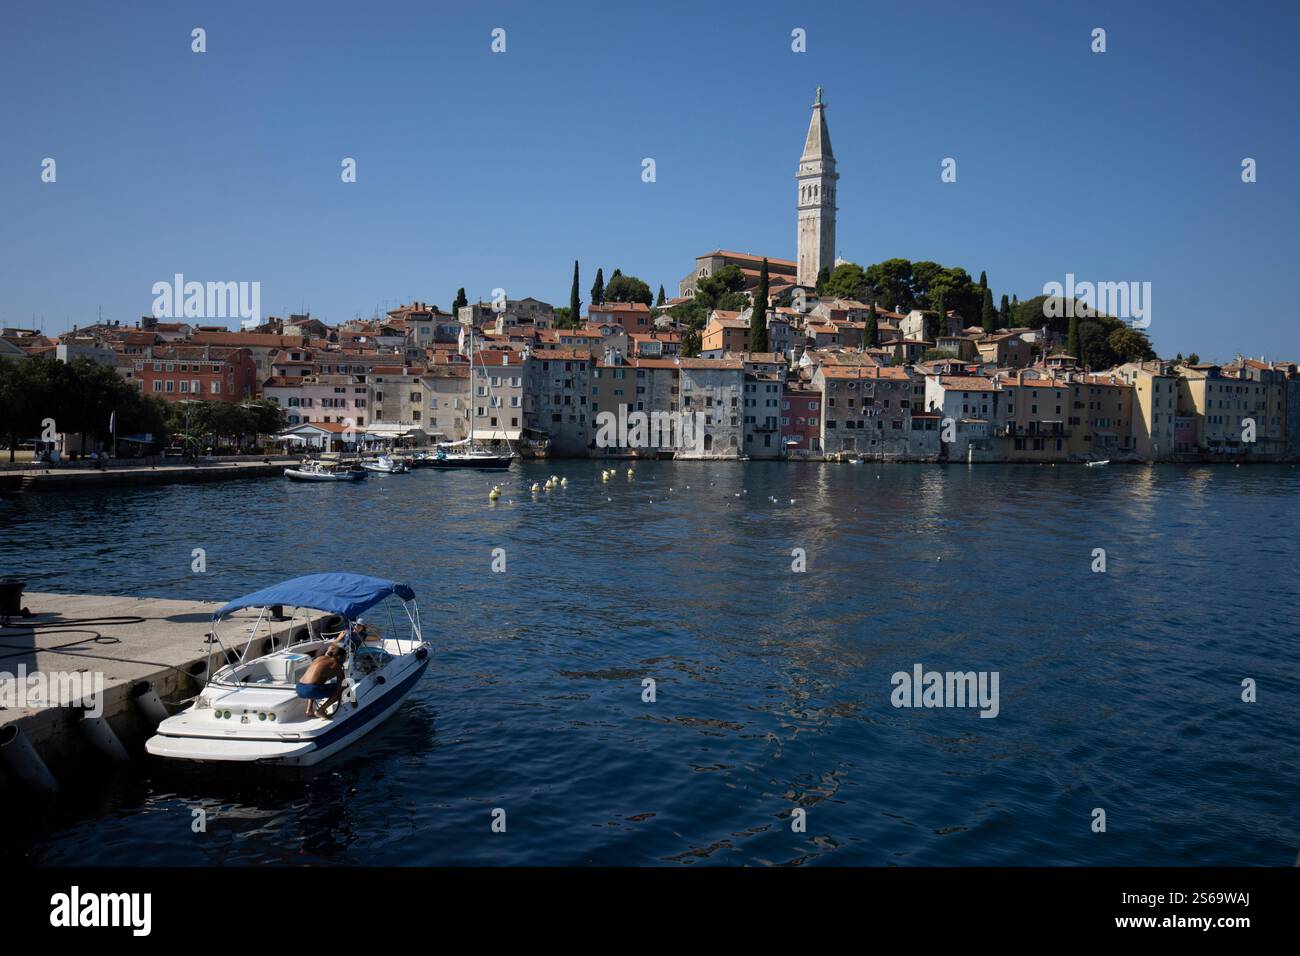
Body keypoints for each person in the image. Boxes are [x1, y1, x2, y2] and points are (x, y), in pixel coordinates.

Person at [296, 643, 347, 718]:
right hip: (310, 690)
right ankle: (321, 710)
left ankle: (309, 710)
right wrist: (354, 700)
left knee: (317, 683)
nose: (344, 661)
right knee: (342, 690)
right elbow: (342, 686)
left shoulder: (319, 658)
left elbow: (313, 682)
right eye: (344, 658)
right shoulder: (336, 666)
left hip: (299, 688)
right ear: (339, 657)